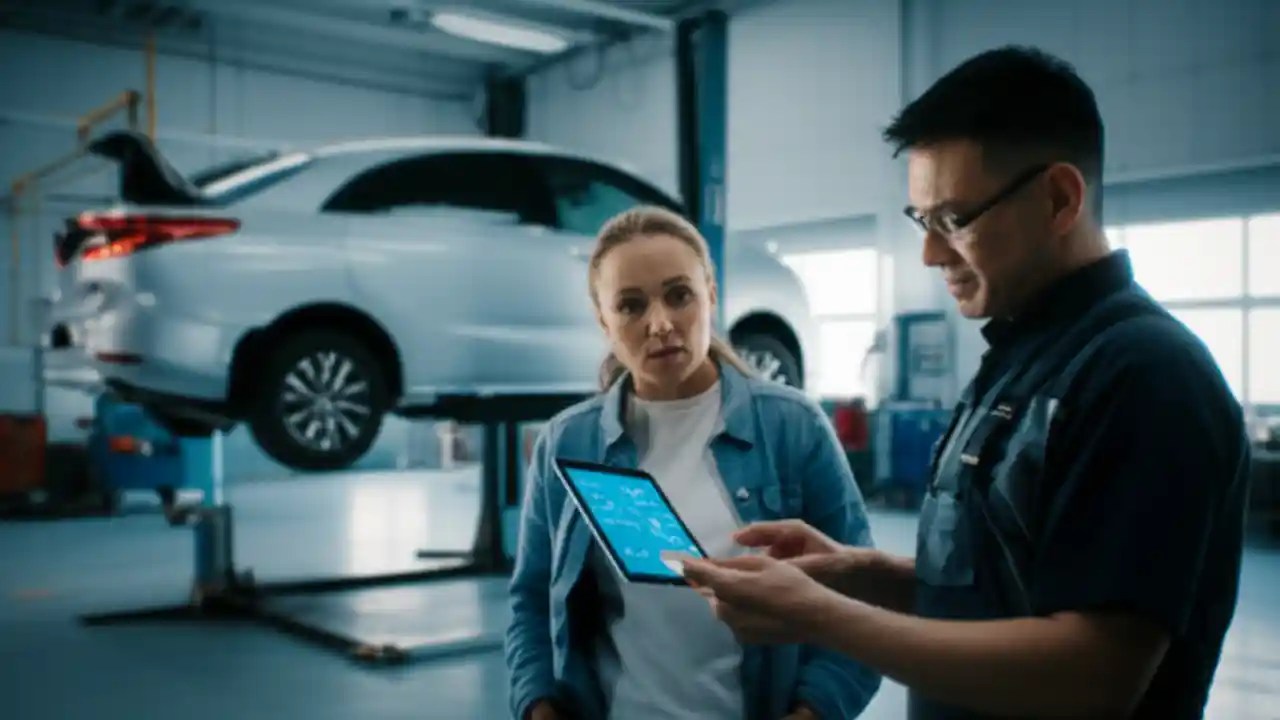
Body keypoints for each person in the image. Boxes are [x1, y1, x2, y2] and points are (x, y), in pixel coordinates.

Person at [677, 45, 1250, 720]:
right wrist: (859, 575)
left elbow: (1094, 674)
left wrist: (822, 616)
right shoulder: (1021, 355)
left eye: (953, 220)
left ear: (1059, 198)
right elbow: (1007, 593)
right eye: (923, 221)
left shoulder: (1147, 376)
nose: (929, 253)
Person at [504, 206, 881, 720]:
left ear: (712, 295)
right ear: (603, 321)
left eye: (679, 296)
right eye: (631, 306)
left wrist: (811, 713)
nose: (660, 324)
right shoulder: (569, 442)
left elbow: (863, 600)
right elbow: (531, 602)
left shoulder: (793, 428)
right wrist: (539, 708)